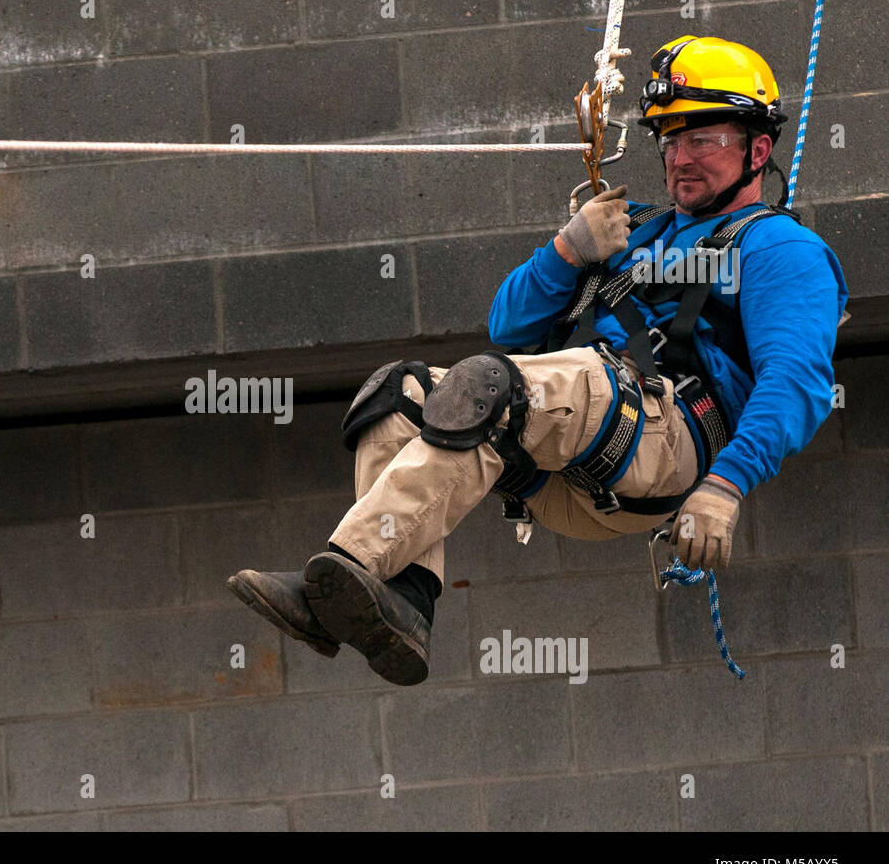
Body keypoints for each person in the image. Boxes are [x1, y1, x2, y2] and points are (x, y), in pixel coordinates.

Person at [227, 35, 849, 686]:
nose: (681, 159)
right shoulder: (640, 232)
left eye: (703, 139)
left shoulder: (780, 248)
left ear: (757, 148)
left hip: (663, 443)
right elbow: (509, 325)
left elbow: (797, 383)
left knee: (493, 384)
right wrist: (568, 249)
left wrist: (725, 487)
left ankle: (340, 571)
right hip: (577, 460)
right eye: (669, 140)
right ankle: (404, 597)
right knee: (401, 394)